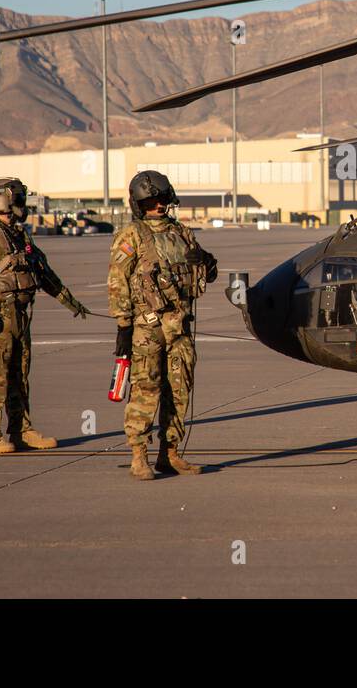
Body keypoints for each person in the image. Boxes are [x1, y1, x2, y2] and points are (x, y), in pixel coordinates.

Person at [0, 177, 88, 454]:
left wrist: (70, 302)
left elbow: (42, 271)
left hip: (19, 315)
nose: (22, 203)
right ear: (3, 200)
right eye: (18, 198)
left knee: (20, 374)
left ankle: (21, 430)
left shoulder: (19, 234)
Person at [108, 171, 217, 481]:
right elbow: (118, 280)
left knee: (179, 389)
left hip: (180, 326)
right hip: (147, 327)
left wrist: (206, 262)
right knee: (146, 389)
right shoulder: (132, 235)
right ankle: (138, 455)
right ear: (139, 205)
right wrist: (123, 324)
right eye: (150, 201)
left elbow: (205, 272)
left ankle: (169, 454)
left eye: (161, 199)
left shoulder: (183, 233)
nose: (158, 205)